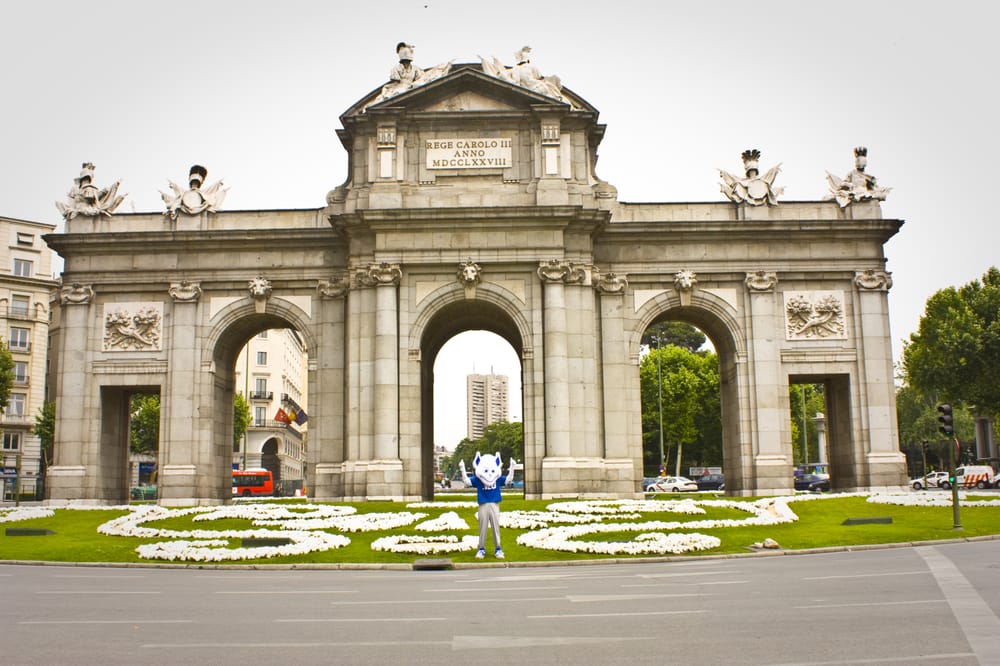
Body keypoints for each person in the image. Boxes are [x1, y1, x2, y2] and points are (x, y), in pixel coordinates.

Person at [460, 452, 516, 559]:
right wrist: (462, 469)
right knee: (482, 528)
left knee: (496, 527)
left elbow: (508, 480)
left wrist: (512, 467)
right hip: (483, 504)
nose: (489, 474)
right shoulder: (479, 479)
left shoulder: (497, 479)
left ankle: (498, 549)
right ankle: (481, 549)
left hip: (494, 504)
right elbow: (467, 482)